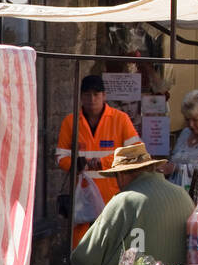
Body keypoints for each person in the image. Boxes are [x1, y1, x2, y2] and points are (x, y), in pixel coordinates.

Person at [45, 144, 196, 265]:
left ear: (122, 174)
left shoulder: (125, 200)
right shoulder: (183, 196)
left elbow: (83, 260)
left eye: (116, 176)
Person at [56, 74, 142, 247]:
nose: (92, 99)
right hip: (82, 200)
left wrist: (103, 162)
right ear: (81, 97)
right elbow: (60, 158)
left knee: (112, 247)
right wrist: (75, 164)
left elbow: (136, 153)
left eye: (96, 94)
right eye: (87, 94)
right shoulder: (70, 122)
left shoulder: (120, 119)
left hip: (114, 198)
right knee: (82, 249)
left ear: (104, 96)